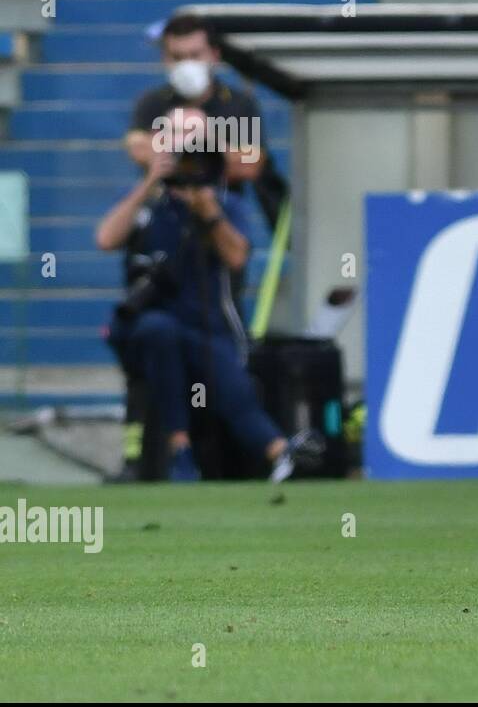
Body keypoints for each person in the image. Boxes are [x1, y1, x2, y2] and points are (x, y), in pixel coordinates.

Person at [98, 107, 319, 483]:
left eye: (195, 143)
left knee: (229, 380)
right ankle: (179, 450)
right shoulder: (147, 202)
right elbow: (106, 238)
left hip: (204, 325)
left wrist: (209, 212)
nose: (186, 153)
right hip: (145, 328)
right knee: (158, 331)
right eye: (177, 141)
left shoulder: (223, 202)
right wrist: (151, 180)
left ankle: (281, 454)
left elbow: (236, 256)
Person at [125, 15, 288, 228]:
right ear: (165, 59)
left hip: (223, 212)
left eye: (195, 55)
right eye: (178, 57)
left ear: (214, 55)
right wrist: (180, 141)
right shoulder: (153, 102)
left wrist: (208, 140)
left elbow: (252, 164)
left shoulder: (239, 104)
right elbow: (137, 148)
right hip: (165, 210)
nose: (187, 64)